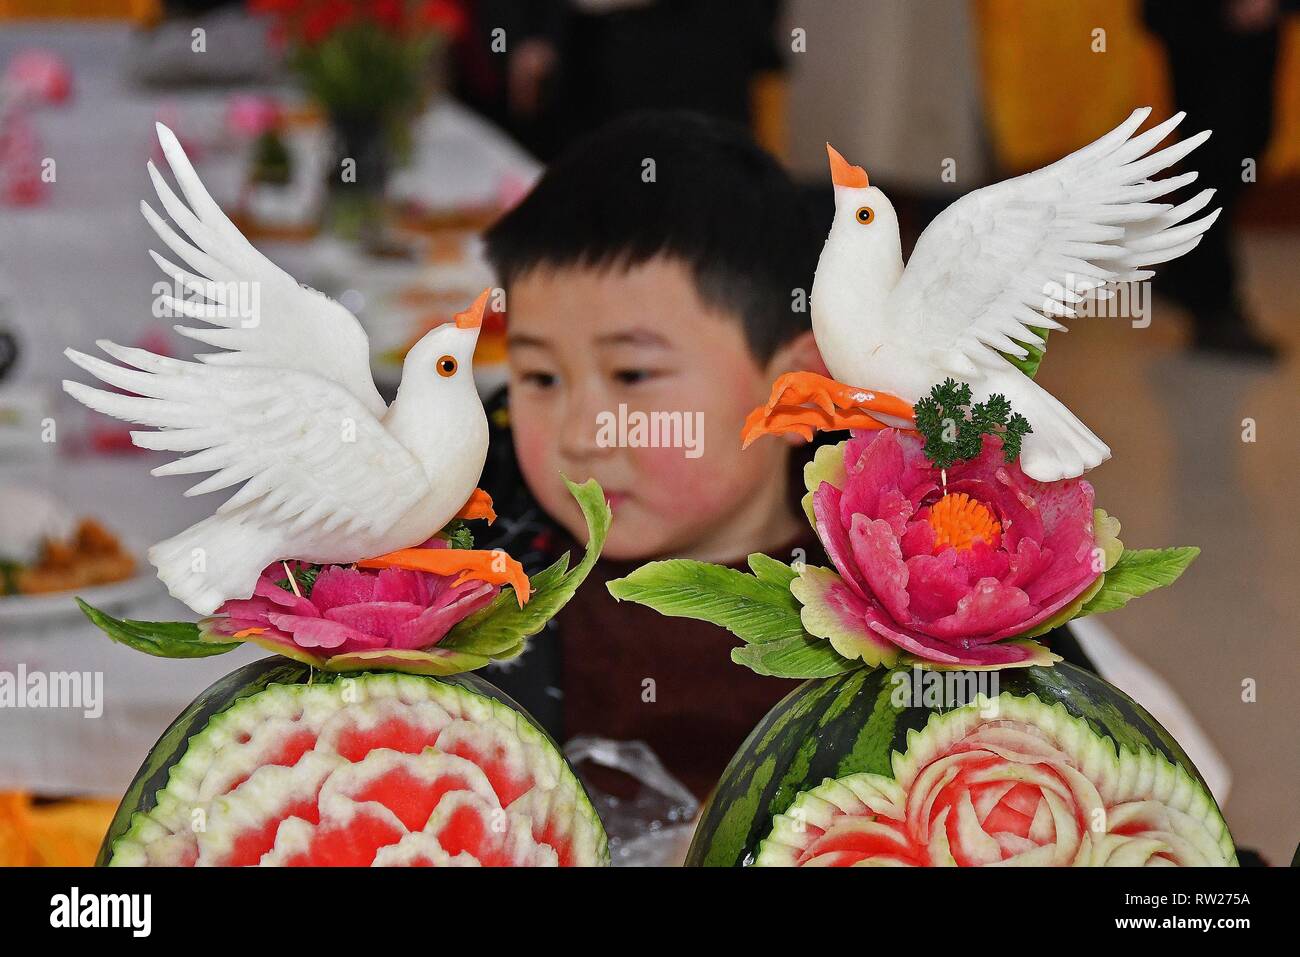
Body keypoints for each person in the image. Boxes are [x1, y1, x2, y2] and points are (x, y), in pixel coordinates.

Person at [477, 111, 825, 798]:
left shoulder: (910, 613)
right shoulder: (483, 576)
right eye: (541, 378)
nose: (580, 435)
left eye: (633, 376)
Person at [1142, 0, 1289, 360]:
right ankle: (1212, 304)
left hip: (1252, 21)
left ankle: (1184, 267)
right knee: (1216, 150)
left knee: (1251, 141)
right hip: (1203, 21)